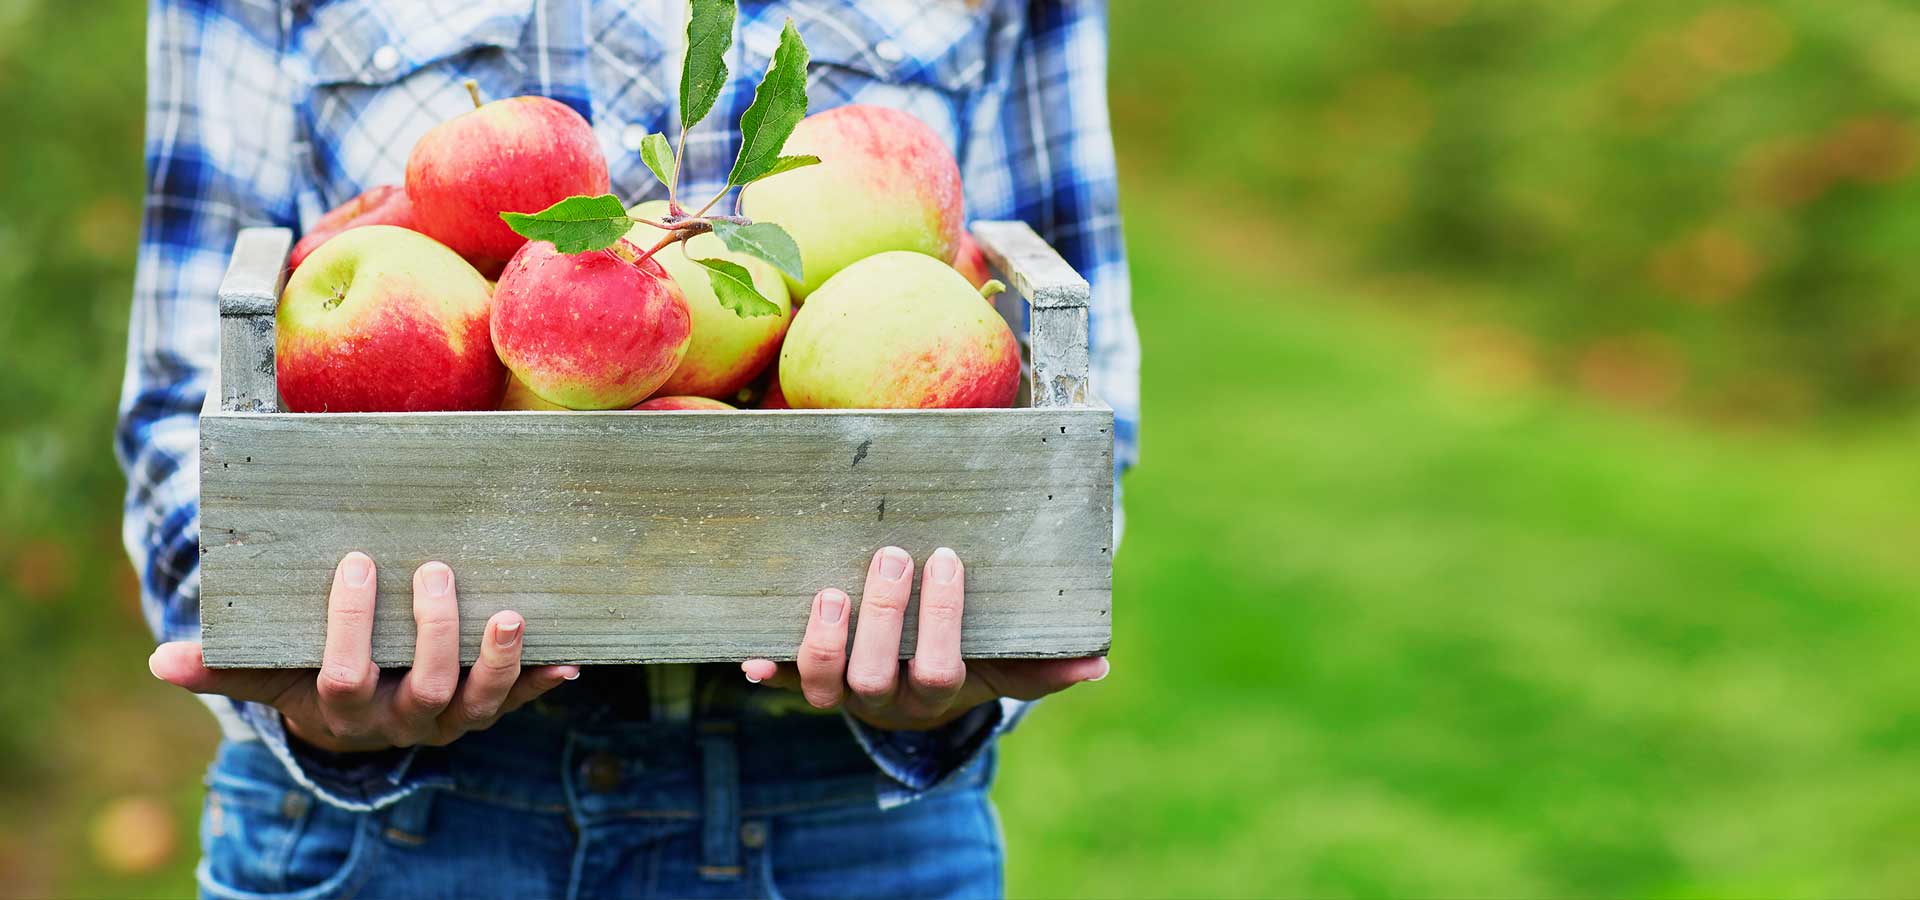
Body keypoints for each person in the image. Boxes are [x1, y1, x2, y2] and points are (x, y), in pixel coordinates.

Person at [121, 1, 1140, 897]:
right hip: (383, 829)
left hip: (846, 813)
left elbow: (1074, 395)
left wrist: (965, 669)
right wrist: (287, 665)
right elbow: (184, 391)